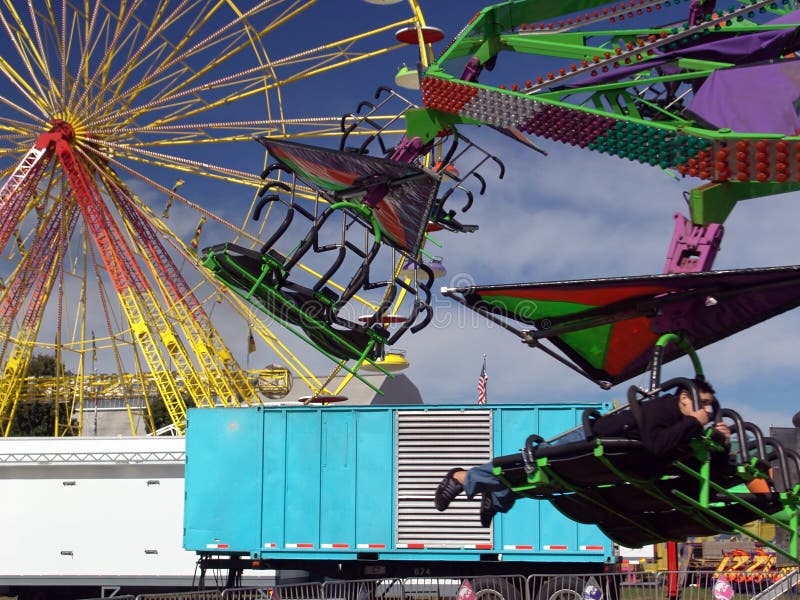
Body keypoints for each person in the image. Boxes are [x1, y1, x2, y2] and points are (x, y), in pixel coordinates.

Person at [434, 378, 731, 526]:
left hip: (606, 459)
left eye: (708, 407)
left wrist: (720, 442)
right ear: (683, 397)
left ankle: (496, 497)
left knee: (547, 481)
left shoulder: (685, 427)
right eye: (701, 403)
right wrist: (695, 423)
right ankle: (463, 477)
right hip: (591, 443)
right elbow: (656, 446)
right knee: (535, 465)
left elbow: (687, 461)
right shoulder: (662, 409)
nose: (705, 411)